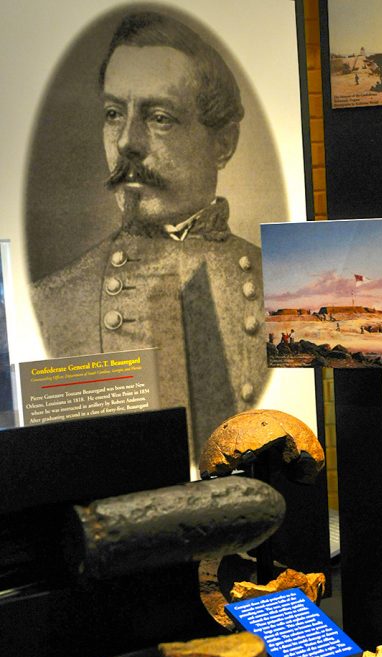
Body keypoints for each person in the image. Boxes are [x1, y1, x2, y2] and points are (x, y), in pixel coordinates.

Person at [29, 12, 267, 459]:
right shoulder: (51, 303)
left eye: (159, 117)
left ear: (223, 143)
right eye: (114, 114)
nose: (127, 142)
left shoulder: (281, 288)